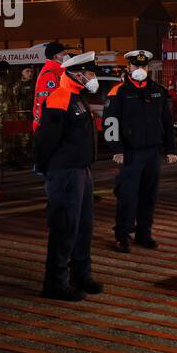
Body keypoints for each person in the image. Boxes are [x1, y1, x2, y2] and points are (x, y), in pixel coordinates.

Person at [35, 51, 103, 300]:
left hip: (81, 171)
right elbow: (46, 140)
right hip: (65, 173)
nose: (93, 77)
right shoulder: (59, 98)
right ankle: (55, 284)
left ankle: (80, 276)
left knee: (83, 228)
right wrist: (46, 169)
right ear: (77, 74)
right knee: (64, 228)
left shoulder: (76, 97)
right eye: (90, 72)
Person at [104, 50, 177, 253]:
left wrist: (170, 148)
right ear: (128, 67)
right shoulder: (118, 91)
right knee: (127, 196)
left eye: (143, 66)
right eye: (136, 66)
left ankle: (144, 234)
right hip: (130, 153)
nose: (140, 70)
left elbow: (167, 122)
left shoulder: (158, 91)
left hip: (152, 153)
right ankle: (123, 236)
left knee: (149, 196)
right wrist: (117, 149)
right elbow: (110, 123)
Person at [32, 41, 72, 131]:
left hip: (54, 121)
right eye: (64, 54)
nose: (67, 57)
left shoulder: (58, 71)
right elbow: (49, 101)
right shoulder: (50, 73)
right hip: (49, 123)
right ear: (55, 56)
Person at [13, 64, 36, 164]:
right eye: (27, 71)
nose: (30, 73)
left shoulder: (35, 83)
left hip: (34, 113)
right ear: (22, 72)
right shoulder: (18, 84)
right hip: (23, 113)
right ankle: (25, 157)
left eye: (31, 71)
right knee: (25, 137)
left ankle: (34, 155)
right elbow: (14, 99)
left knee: (35, 135)